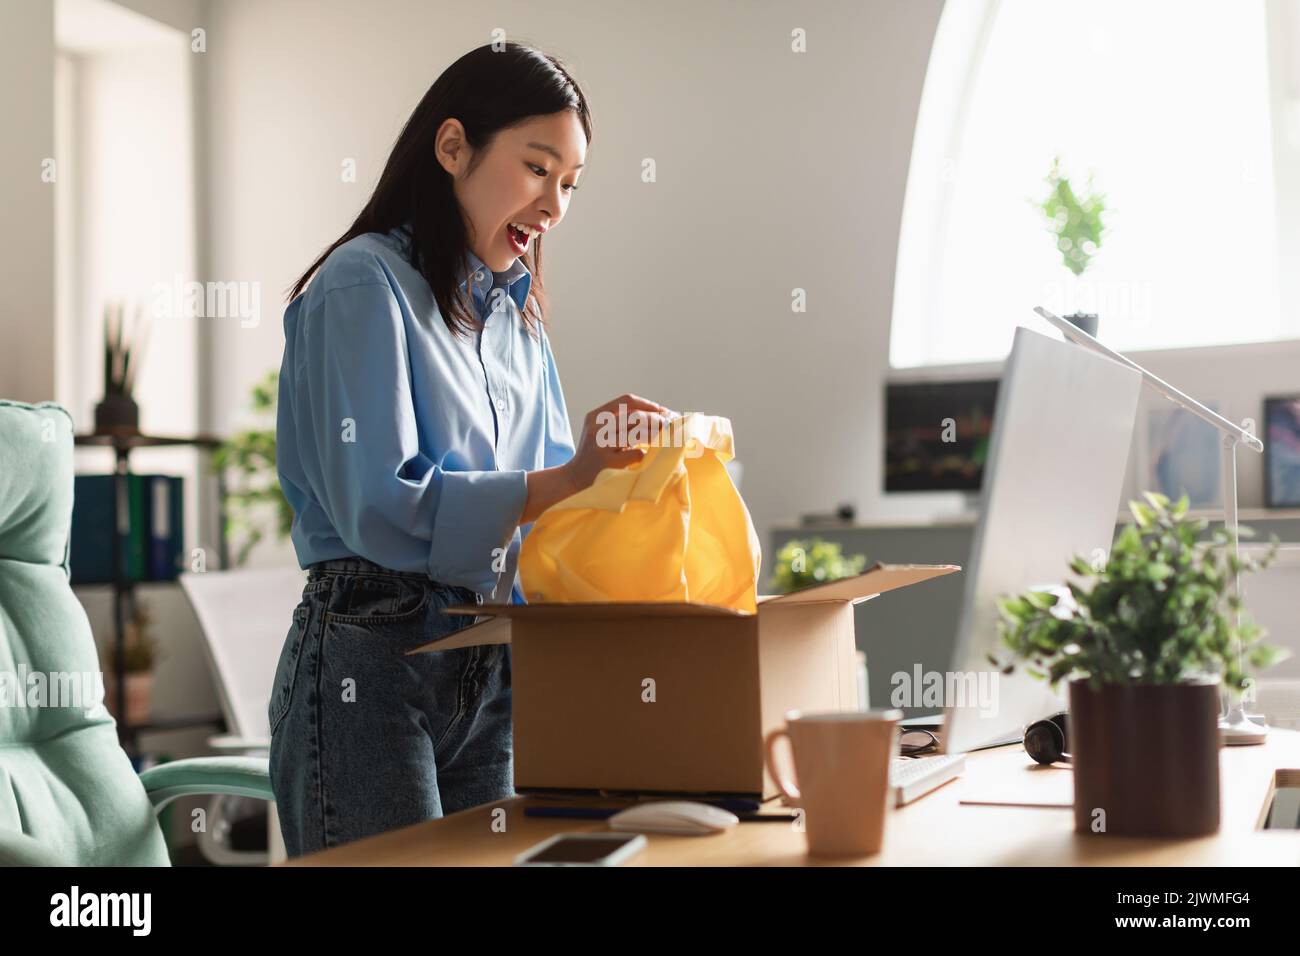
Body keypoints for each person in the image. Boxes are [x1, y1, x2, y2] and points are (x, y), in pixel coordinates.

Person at [267, 41, 671, 857]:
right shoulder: (362, 283)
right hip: (370, 664)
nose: (554, 205)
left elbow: (554, 516)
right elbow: (382, 506)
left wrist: (636, 487)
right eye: (537, 168)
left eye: (570, 184)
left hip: (490, 665)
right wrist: (568, 475)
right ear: (453, 148)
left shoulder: (521, 327)